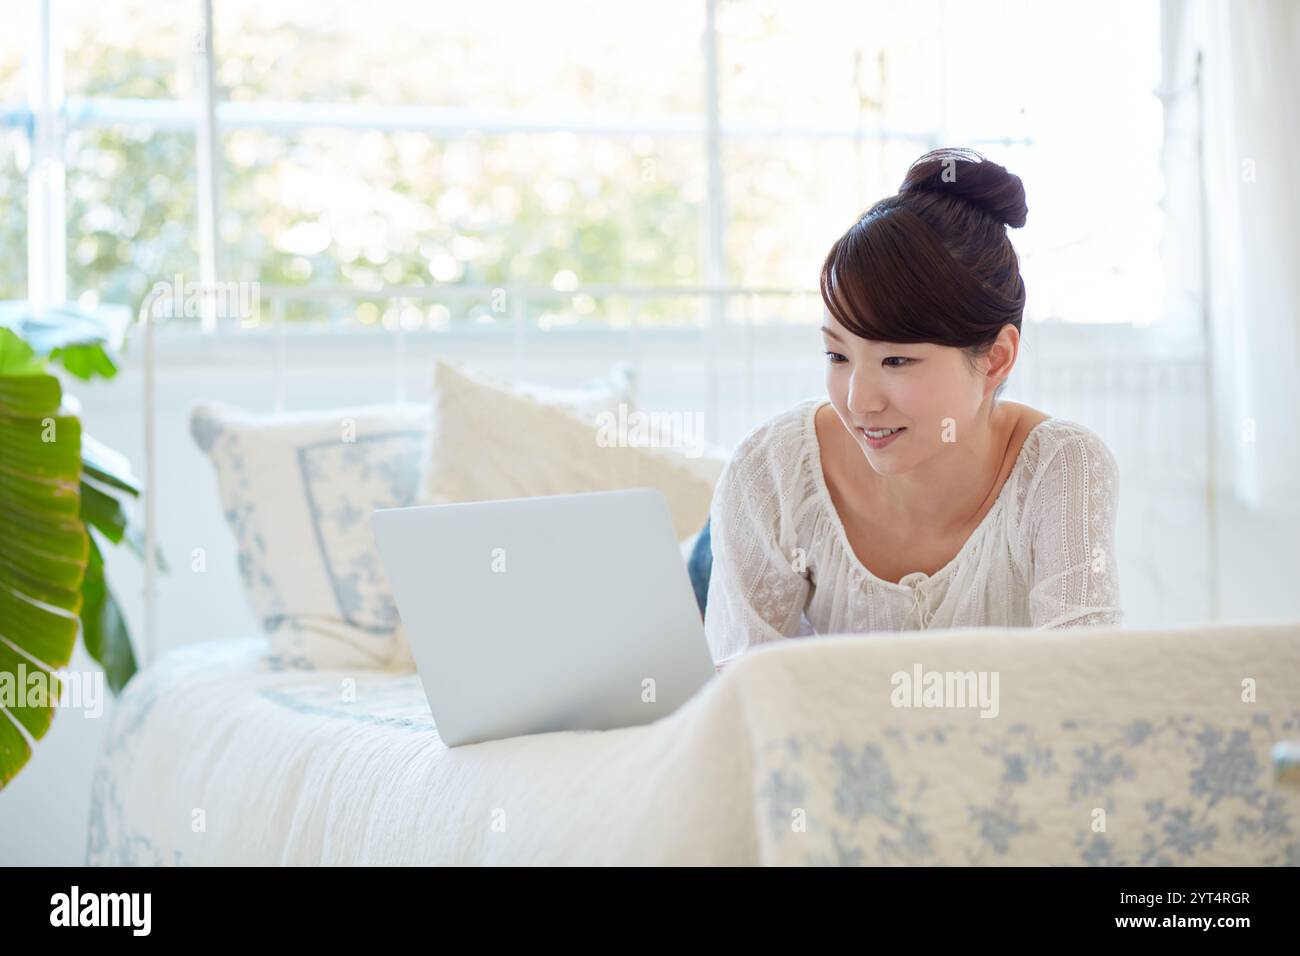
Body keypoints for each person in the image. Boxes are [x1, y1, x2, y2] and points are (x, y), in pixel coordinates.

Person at [705, 147, 1122, 674]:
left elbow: (1084, 687)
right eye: (837, 355)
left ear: (996, 359)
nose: (859, 400)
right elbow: (735, 698)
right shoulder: (769, 470)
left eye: (897, 359)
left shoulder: (1064, 470)